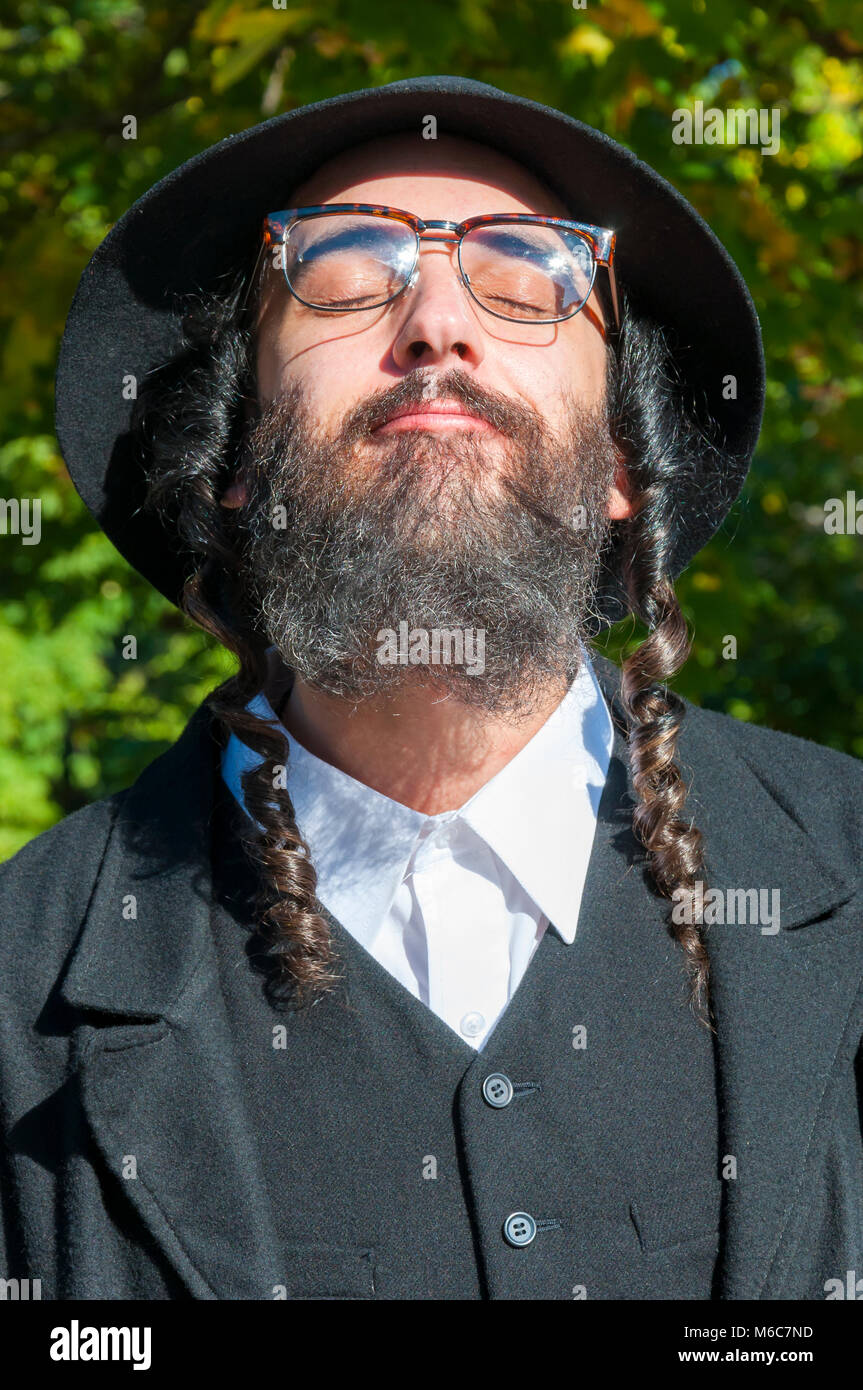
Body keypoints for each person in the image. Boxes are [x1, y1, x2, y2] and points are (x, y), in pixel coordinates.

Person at [2, 76, 861, 1302]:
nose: (437, 324)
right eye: (346, 274)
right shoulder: (18, 993)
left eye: (526, 279)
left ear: (621, 463)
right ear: (241, 455)